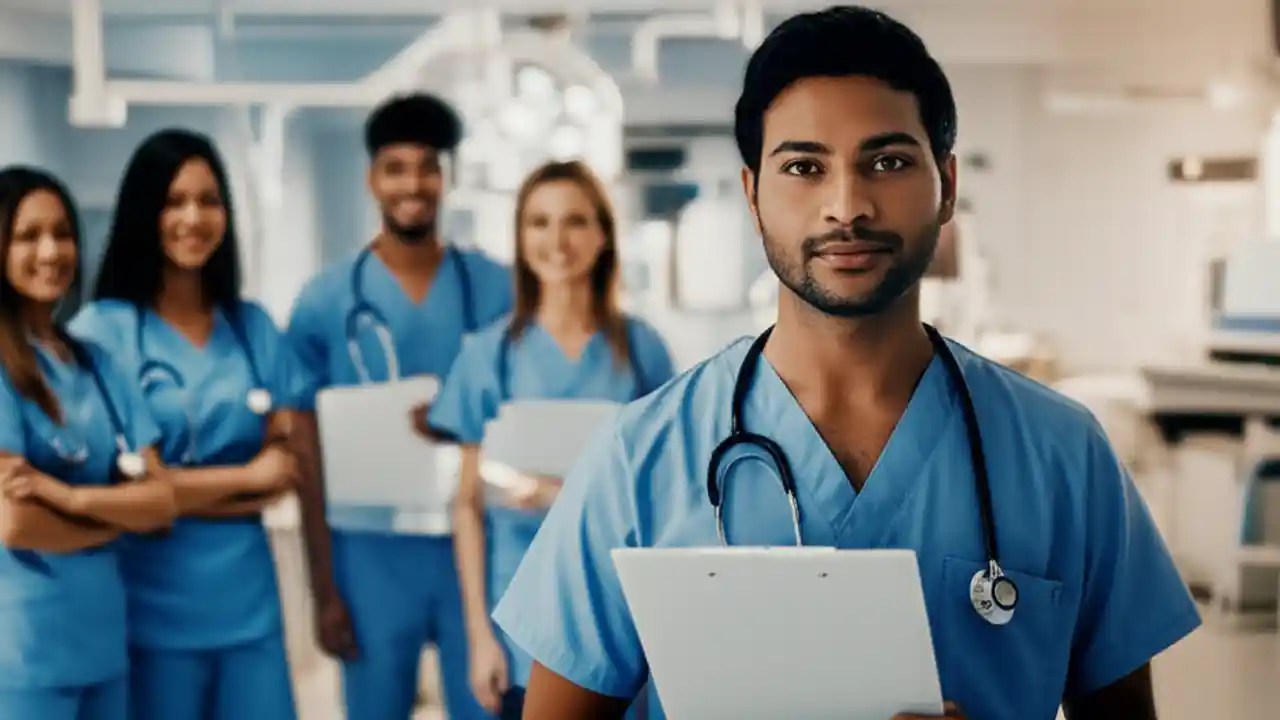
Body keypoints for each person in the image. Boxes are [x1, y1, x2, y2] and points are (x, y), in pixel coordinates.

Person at [490, 7, 1202, 720]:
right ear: (753, 196)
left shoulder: (1061, 453)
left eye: (887, 162)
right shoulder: (641, 457)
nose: (847, 205)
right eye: (804, 167)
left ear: (946, 185)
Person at [285, 92, 514, 720]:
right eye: (396, 167)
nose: (413, 183)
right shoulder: (325, 302)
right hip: (369, 560)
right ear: (372, 178)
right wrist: (323, 589)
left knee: (486, 706)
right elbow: (306, 457)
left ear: (446, 177)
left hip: (478, 551)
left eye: (427, 166)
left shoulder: (497, 289)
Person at [68, 129, 308, 720]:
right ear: (144, 212)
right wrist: (246, 480)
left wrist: (169, 493)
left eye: (208, 200)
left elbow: (288, 471)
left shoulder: (252, 328)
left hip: (250, 610)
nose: (193, 218)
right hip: (148, 613)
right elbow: (114, 494)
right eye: (174, 202)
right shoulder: (104, 333)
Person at [428, 160, 675, 718]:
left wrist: (556, 493)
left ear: (602, 234)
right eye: (539, 223)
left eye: (575, 222)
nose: (557, 241)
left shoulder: (642, 352)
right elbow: (468, 506)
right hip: (517, 618)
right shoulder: (487, 356)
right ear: (519, 236)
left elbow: (666, 495)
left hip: (620, 612)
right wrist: (478, 636)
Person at [0, 166, 176, 719]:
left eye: (62, 233)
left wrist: (70, 498)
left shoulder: (97, 364)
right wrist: (119, 517)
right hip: (24, 654)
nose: (51, 252)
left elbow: (164, 502)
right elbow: (15, 522)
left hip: (102, 645)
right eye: (28, 236)